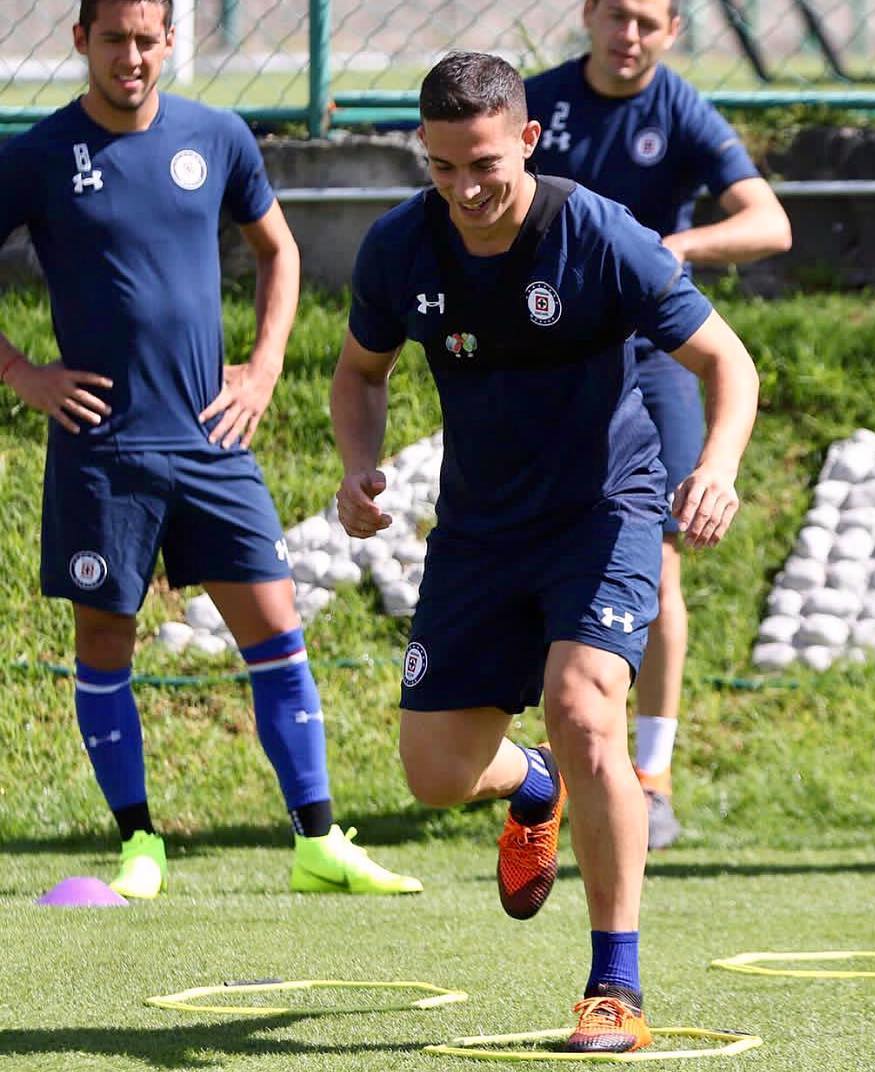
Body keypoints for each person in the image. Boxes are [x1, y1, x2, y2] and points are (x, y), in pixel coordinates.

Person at [332, 51, 758, 1053]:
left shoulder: (597, 233)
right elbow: (360, 373)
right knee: (434, 774)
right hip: (480, 530)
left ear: (526, 139)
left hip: (603, 512)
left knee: (583, 708)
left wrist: (722, 466)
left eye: (482, 162)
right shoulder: (402, 248)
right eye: (441, 168)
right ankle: (533, 785)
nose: (465, 188)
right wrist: (359, 465)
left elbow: (724, 359)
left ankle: (614, 985)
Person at [0, 0, 421, 900]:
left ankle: (316, 841)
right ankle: (138, 842)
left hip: (211, 440)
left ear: (169, 42)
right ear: (81, 42)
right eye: (112, 38)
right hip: (101, 445)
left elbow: (280, 252)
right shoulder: (36, 155)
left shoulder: (219, 136)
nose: (131, 57)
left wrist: (264, 369)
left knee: (275, 627)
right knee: (105, 638)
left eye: (147, 39)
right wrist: (23, 373)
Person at [527, 0, 791, 848]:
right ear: (587, 17)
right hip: (547, 358)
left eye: (647, 21)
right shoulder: (536, 102)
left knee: (663, 565)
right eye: (615, 16)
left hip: (652, 358)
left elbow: (770, 223)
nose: (629, 35)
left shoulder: (679, 109)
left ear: (673, 31)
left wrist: (678, 248)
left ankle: (652, 774)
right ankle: (558, 760)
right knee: (537, 548)